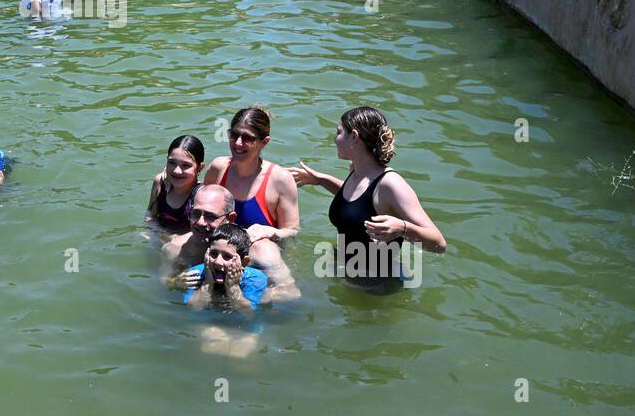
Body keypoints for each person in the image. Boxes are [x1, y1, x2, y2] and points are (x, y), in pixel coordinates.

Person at [291, 106, 446, 283]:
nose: (335, 140)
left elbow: (439, 244)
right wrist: (320, 180)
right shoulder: (356, 170)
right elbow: (358, 203)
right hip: (346, 271)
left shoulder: (391, 184)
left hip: (376, 289)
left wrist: (403, 228)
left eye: (339, 132)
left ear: (354, 137)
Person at [203, 106, 300, 299]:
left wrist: (272, 231)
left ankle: (278, 291)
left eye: (247, 138)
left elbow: (293, 232)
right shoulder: (218, 168)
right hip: (219, 253)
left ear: (264, 142)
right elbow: (201, 208)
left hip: (258, 257)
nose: (238, 143)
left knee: (262, 247)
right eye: (234, 135)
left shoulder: (280, 179)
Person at [161, 184, 237, 285]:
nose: (200, 222)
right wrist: (177, 281)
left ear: (230, 219)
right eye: (196, 213)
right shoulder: (175, 249)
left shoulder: (246, 247)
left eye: (210, 216)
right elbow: (163, 280)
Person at [182, 224, 268, 312]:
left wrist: (233, 286)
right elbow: (192, 309)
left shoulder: (255, 278)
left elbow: (248, 314)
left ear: (244, 262)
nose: (218, 262)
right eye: (213, 254)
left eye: (227, 256)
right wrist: (207, 282)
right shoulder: (195, 274)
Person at [147, 135, 206, 235]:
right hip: (159, 240)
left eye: (186, 165)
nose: (177, 171)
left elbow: (199, 236)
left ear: (200, 168)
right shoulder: (160, 182)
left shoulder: (201, 195)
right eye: (172, 163)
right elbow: (150, 216)